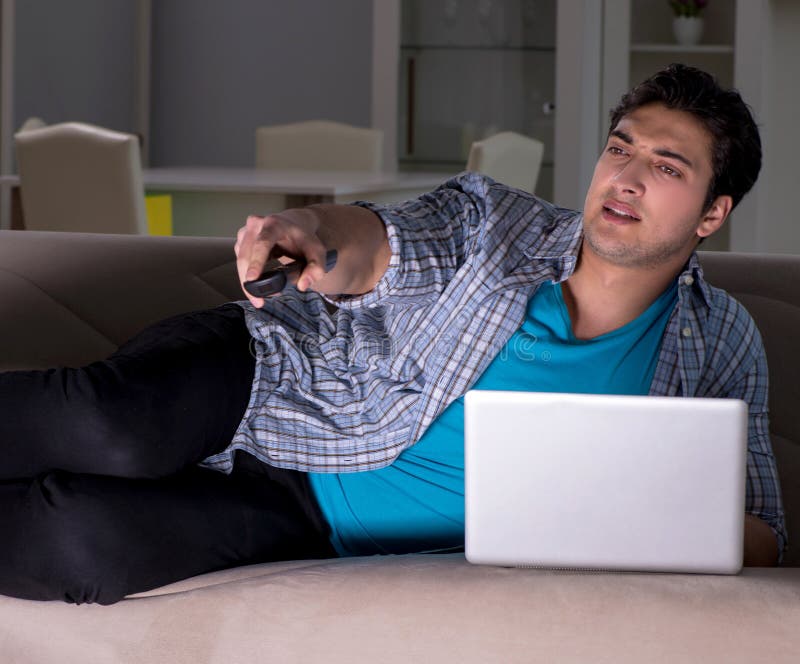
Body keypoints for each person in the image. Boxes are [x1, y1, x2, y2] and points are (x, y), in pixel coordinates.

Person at [0, 64, 785, 605]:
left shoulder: (718, 343)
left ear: (713, 213)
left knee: (84, 543)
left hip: (312, 522)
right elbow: (378, 245)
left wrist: (633, 507)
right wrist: (307, 230)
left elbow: (761, 537)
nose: (626, 177)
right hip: (276, 382)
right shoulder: (497, 226)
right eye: (621, 148)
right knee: (114, 428)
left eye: (668, 166)